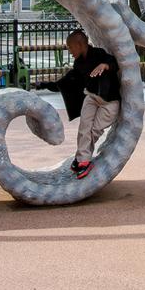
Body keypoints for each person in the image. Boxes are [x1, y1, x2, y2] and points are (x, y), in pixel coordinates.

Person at [49, 29, 120, 178]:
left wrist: (105, 66)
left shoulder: (99, 54)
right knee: (84, 128)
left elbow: (114, 62)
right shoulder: (78, 63)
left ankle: (81, 158)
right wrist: (49, 85)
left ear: (80, 44)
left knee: (94, 130)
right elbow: (73, 80)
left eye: (70, 47)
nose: (69, 51)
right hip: (91, 97)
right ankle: (84, 161)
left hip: (109, 102)